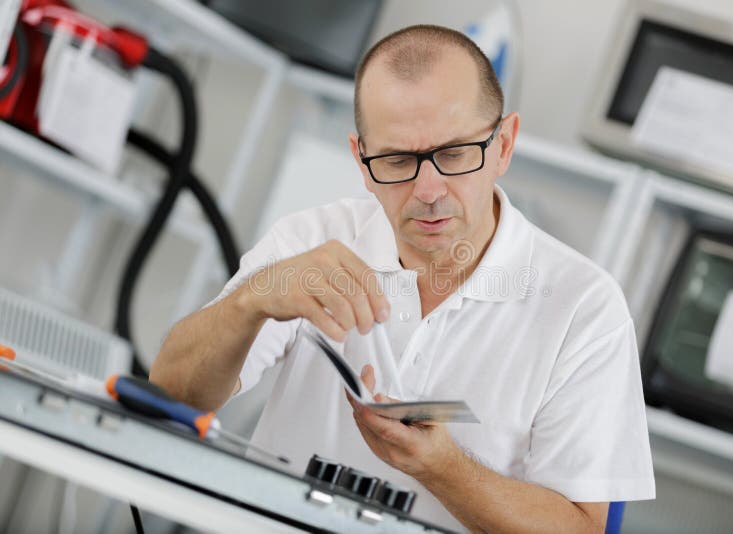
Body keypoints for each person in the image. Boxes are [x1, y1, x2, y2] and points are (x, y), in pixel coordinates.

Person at [151, 24, 655, 533]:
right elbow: (172, 394)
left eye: (455, 153)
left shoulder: (584, 309)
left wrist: (443, 469)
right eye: (397, 160)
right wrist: (250, 302)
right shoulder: (313, 239)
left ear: (503, 146)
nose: (429, 189)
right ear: (362, 161)